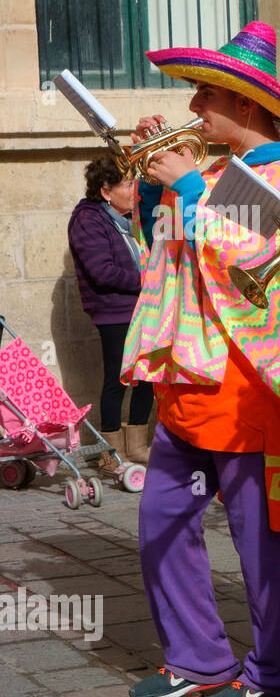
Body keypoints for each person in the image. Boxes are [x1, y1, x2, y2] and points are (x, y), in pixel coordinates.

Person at [120, 22, 280, 697]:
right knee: (159, 524)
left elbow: (262, 253)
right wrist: (154, 186)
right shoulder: (213, 168)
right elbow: (169, 245)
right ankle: (196, 657)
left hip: (255, 386)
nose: (194, 107)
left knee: (265, 538)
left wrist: (190, 186)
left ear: (247, 105)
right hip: (190, 379)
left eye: (205, 93)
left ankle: (279, 673)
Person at [67, 155, 154, 467]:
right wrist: (150, 281)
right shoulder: (87, 220)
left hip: (141, 307)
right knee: (117, 379)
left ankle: (138, 446)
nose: (135, 190)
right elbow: (103, 272)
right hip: (114, 311)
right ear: (105, 191)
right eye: (128, 184)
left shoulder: (133, 219)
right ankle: (110, 451)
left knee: (147, 376)